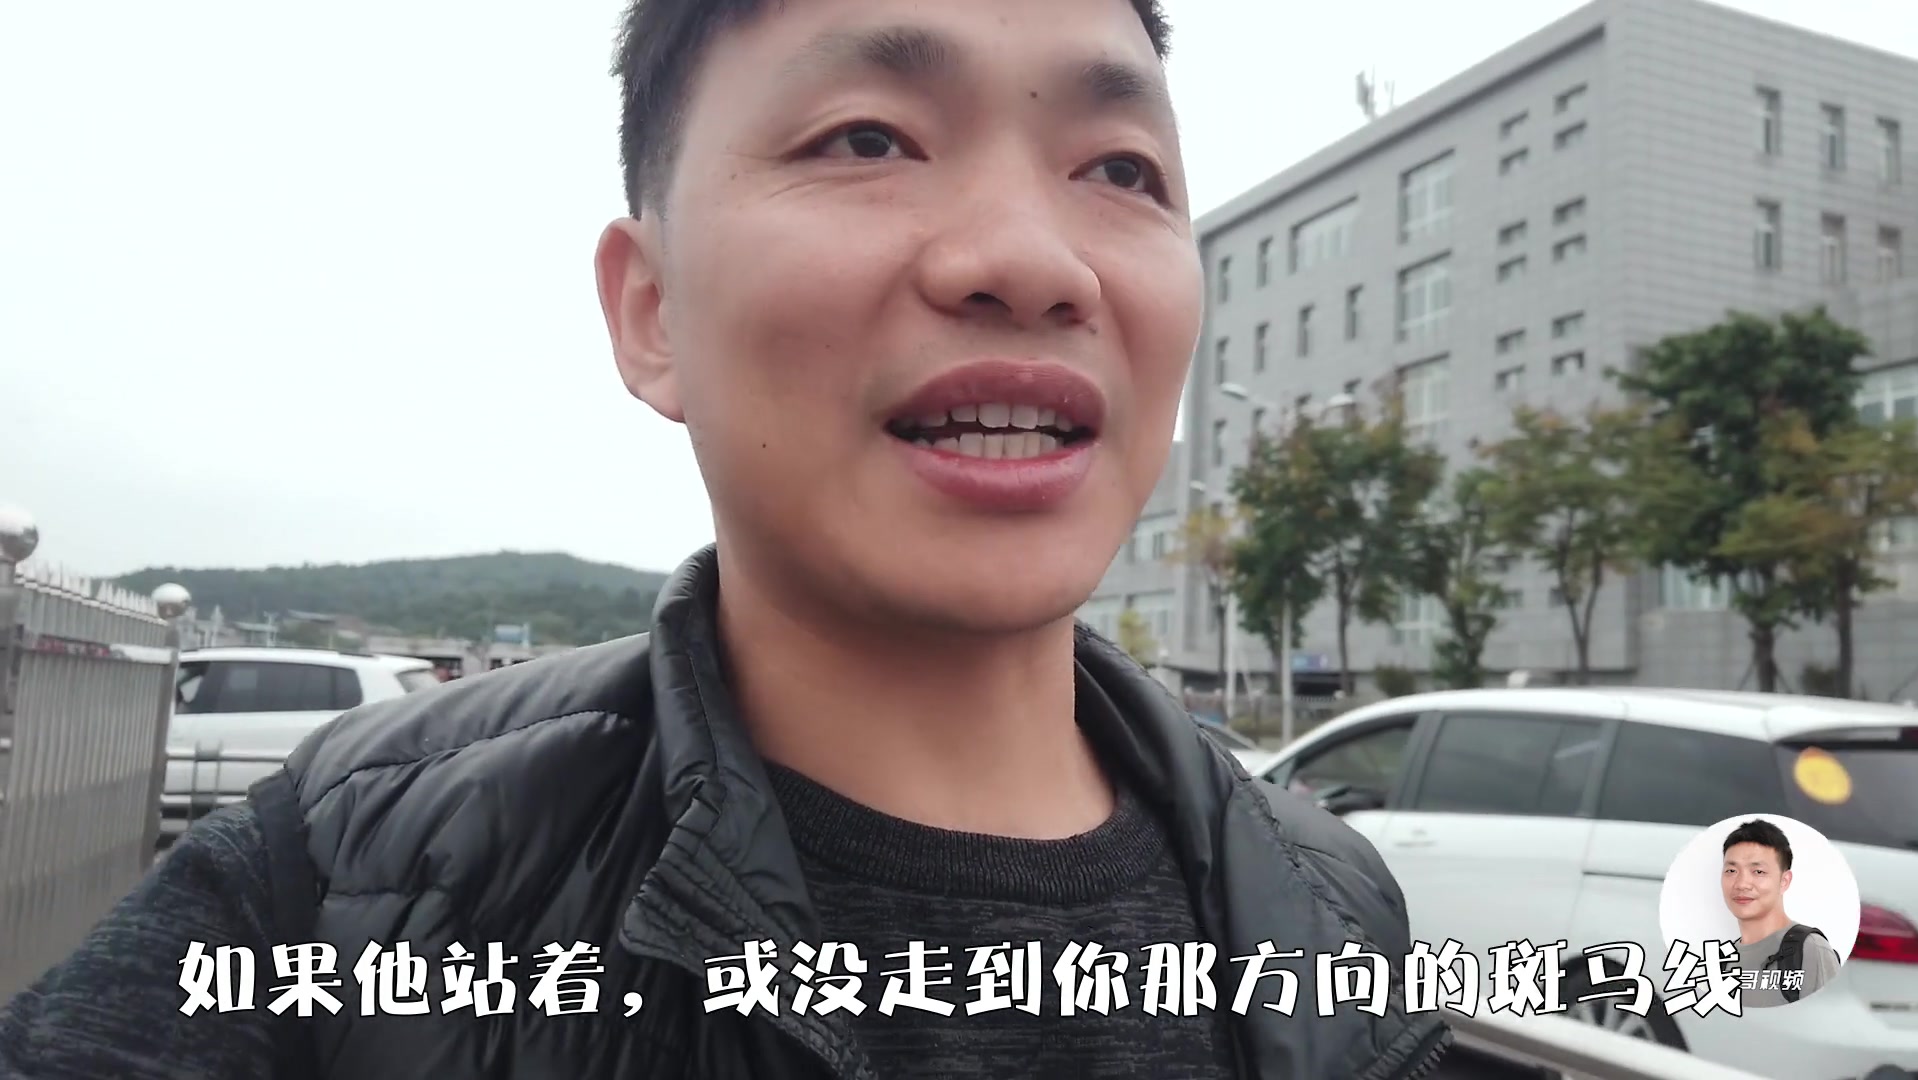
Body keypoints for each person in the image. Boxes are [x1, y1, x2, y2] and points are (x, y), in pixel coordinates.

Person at [0, 1, 1448, 1077]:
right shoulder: (343, 876)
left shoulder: (1329, 905)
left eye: (1121, 170)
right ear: (650, 312)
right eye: (869, 138)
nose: (1030, 259)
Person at [1722, 818, 1843, 1008]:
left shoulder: (1810, 949)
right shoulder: (1722, 959)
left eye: (1758, 872)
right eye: (1731, 870)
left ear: (1784, 881)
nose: (1742, 884)